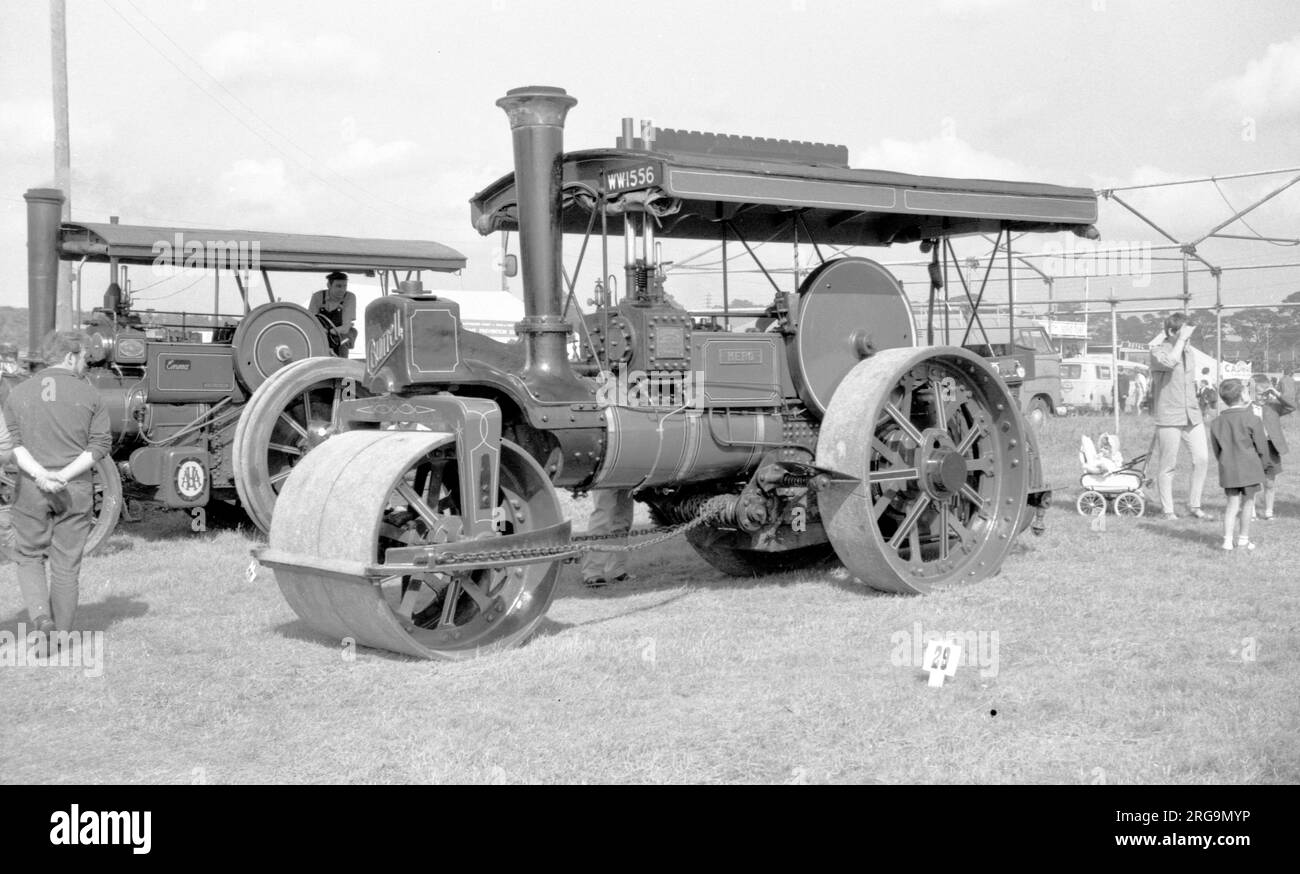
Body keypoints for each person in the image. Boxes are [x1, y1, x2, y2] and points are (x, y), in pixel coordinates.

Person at [2, 330, 111, 642]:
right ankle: (60, 636)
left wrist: (41, 474)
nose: (85, 364)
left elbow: (12, 444)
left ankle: (41, 618)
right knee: (66, 565)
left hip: (31, 489)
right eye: (83, 358)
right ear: (69, 357)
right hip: (75, 489)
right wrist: (64, 475)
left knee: (29, 556)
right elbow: (100, 445)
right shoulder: (91, 395)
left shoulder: (18, 393)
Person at [1148, 313, 1212, 521]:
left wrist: (1184, 341)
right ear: (1171, 332)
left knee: (1202, 459)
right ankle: (1168, 510)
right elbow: (1169, 362)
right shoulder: (1157, 351)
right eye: (1184, 332)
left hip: (1192, 414)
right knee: (1168, 465)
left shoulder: (1189, 352)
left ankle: (1195, 505)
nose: (1188, 337)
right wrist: (1181, 340)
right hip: (1169, 415)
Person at [1209, 379, 1268, 551]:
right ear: (1242, 395)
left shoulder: (1216, 422)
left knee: (1231, 505)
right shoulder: (1253, 419)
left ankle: (1227, 541)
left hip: (1229, 469)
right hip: (1250, 469)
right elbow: (1262, 448)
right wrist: (1262, 466)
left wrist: (1225, 463)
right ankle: (1243, 540)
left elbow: (1217, 450)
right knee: (1248, 503)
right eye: (1246, 391)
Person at [1250, 373, 1295, 520]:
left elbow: (1291, 406)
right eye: (1259, 394)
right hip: (1252, 448)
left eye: (1266, 394)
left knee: (1269, 482)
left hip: (1270, 448)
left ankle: (1269, 512)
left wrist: (1276, 393)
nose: (1263, 397)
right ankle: (1251, 512)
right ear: (1251, 392)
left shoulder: (1273, 407)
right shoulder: (1246, 408)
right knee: (1252, 482)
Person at [580, 489, 636, 588]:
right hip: (606, 480)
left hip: (626, 480)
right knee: (603, 518)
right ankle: (592, 574)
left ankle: (617, 570)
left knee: (623, 519)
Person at [308, 270, 358, 357]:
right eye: (338, 286)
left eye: (345, 286)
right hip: (320, 335)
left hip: (340, 335)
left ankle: (342, 362)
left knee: (345, 340)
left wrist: (329, 331)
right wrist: (322, 334)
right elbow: (311, 322)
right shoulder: (317, 297)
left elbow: (345, 328)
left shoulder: (350, 297)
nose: (342, 290)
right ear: (329, 285)